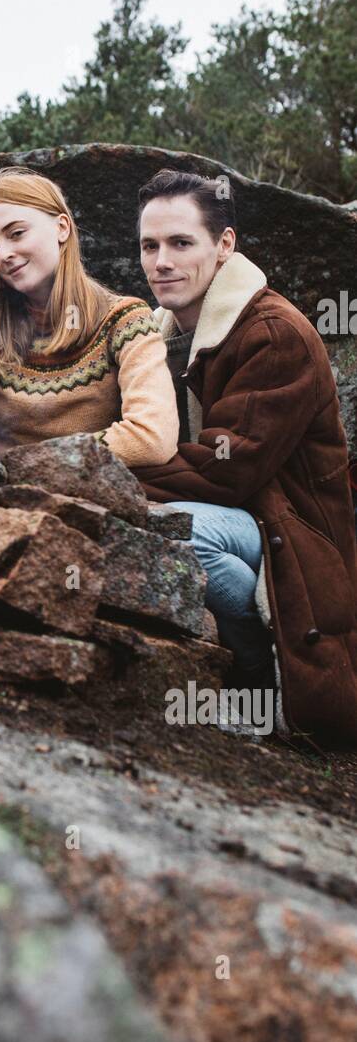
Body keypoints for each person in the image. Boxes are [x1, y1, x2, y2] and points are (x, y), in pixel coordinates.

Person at [132, 168, 357, 747]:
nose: (161, 261)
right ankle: (229, 667)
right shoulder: (158, 335)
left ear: (224, 245)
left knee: (180, 531)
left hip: (293, 531)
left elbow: (222, 469)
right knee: (167, 534)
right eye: (149, 245)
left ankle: (257, 683)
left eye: (182, 243)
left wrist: (108, 476)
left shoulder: (274, 334)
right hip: (245, 523)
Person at [0, 167, 178, 466]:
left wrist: (24, 460)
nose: (5, 253)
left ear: (61, 227)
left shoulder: (125, 320)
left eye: (17, 233)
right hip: (3, 499)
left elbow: (153, 438)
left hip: (93, 499)